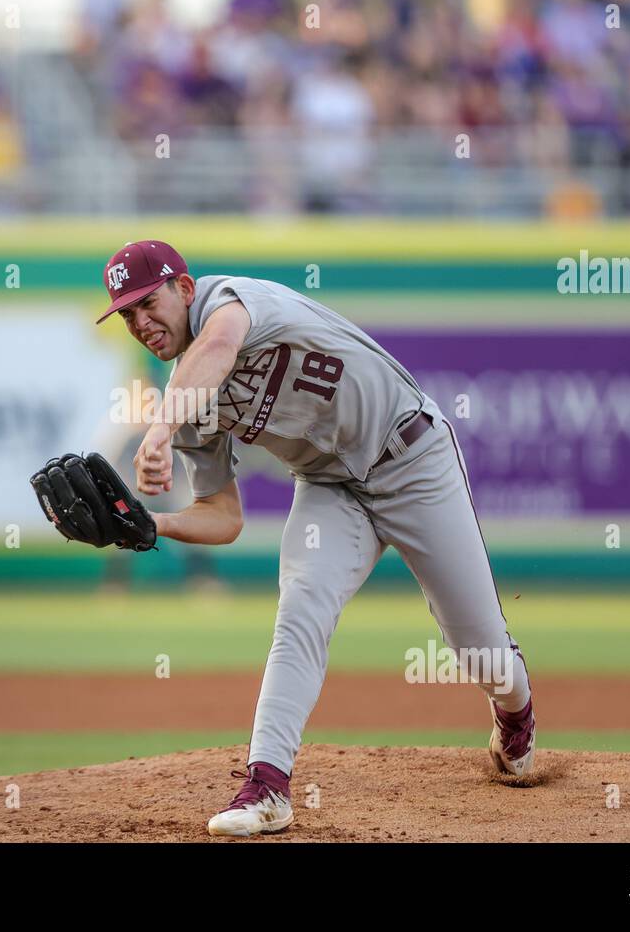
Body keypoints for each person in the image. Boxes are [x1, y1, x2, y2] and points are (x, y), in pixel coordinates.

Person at [97, 240, 537, 838]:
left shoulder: (233, 302)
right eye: (126, 314)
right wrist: (155, 526)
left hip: (413, 457)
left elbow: (221, 347)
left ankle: (515, 712)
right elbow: (222, 517)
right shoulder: (188, 399)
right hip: (330, 489)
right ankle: (268, 785)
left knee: (478, 645)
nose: (140, 322)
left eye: (148, 303)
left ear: (185, 288)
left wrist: (158, 428)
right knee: (300, 611)